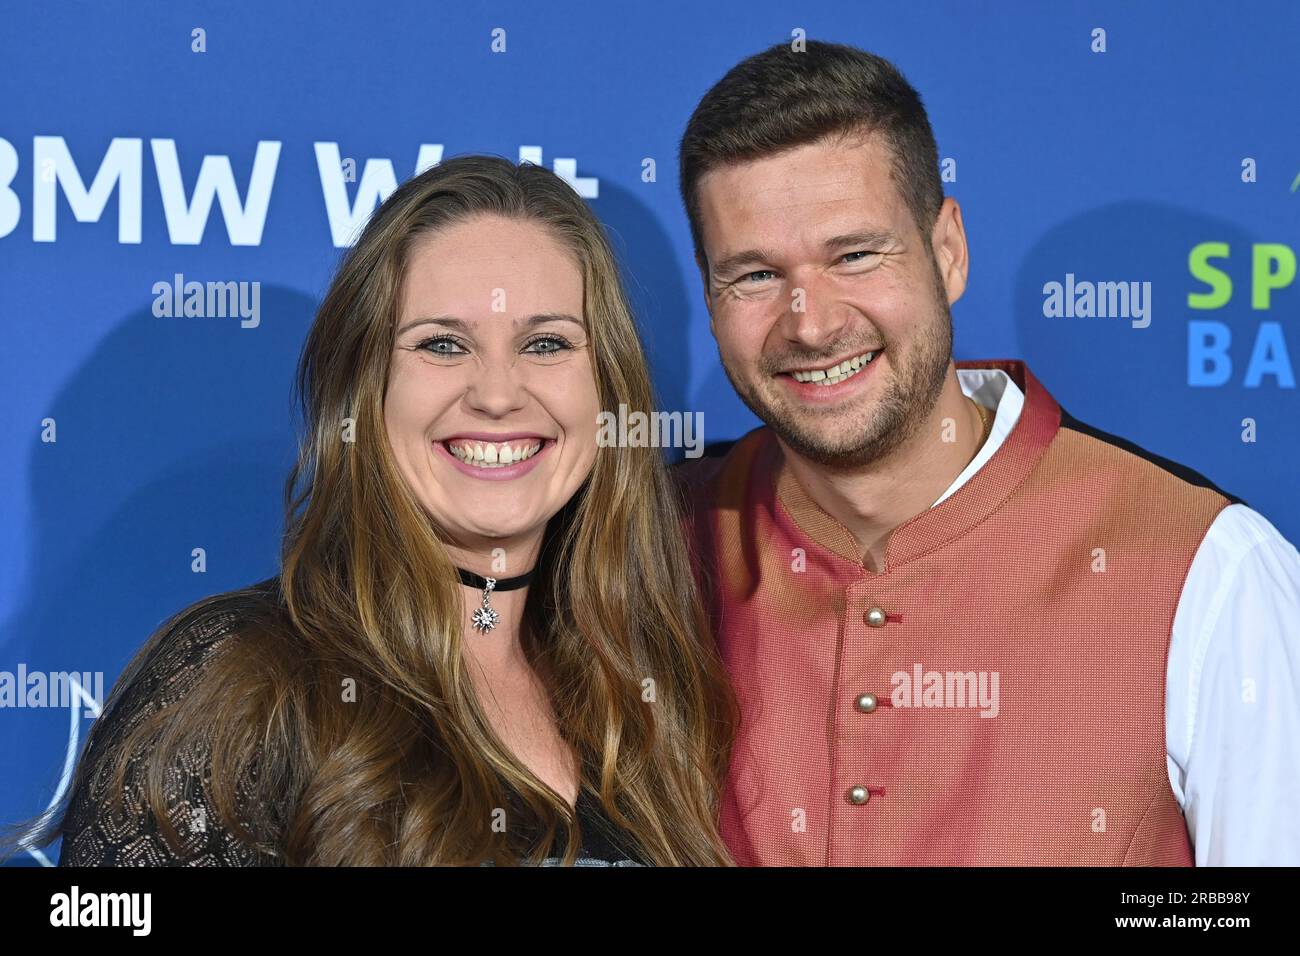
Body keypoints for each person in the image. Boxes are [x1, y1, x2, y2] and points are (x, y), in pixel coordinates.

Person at [7, 156, 737, 866]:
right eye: (442, 345)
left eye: (546, 343)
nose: (497, 393)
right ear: (364, 391)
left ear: (606, 390)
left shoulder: (638, 701)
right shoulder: (241, 685)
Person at [674, 41, 1300, 865]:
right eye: (753, 276)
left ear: (948, 250)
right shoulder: (649, 544)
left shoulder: (1208, 568)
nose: (811, 323)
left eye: (855, 255)